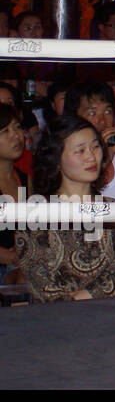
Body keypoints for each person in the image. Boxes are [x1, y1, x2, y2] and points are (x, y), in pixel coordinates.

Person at [16, 116, 115, 302]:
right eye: (80, 150)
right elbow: (41, 284)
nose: (91, 156)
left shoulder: (114, 209)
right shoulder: (35, 216)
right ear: (56, 158)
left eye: (96, 146)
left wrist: (87, 295)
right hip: (57, 321)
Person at [64, 81, 115, 199]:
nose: (102, 120)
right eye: (92, 113)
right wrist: (104, 158)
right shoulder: (66, 160)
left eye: (108, 112)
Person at [0, 104, 29, 282]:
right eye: (5, 131)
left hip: (20, 265)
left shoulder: (25, 179)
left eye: (17, 127)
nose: (16, 136)